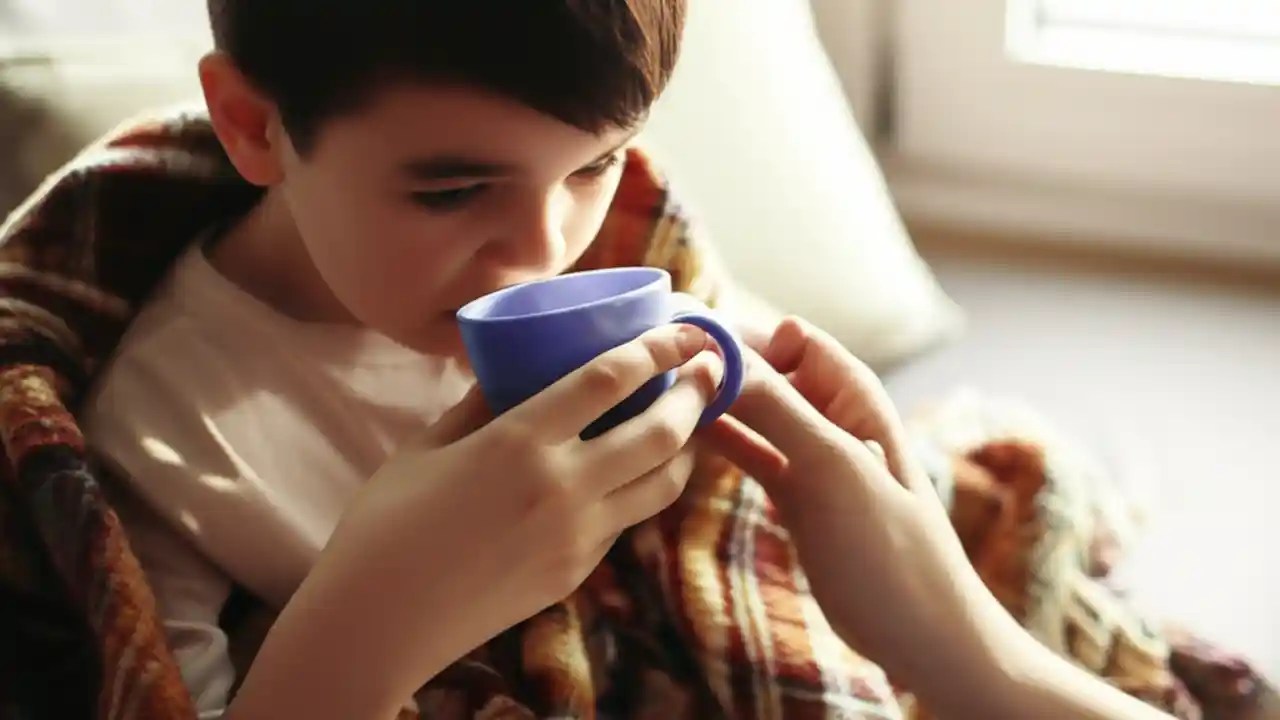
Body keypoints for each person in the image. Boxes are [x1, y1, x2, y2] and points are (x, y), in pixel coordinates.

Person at [73, 2, 1176, 719]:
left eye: (596, 164)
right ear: (254, 126)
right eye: (452, 191)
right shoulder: (156, 439)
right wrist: (360, 630)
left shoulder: (639, 253)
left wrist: (941, 621)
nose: (547, 247)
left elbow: (750, 508)